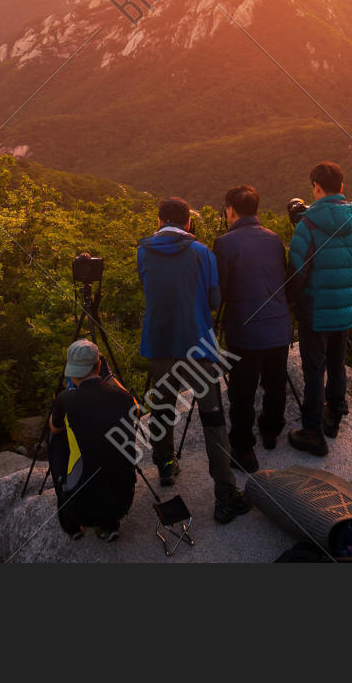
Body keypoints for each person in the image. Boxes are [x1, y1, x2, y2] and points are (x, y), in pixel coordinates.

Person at [138, 197, 250, 524]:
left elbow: (149, 289)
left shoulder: (143, 252)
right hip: (199, 347)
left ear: (159, 220)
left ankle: (166, 467)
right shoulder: (203, 253)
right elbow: (215, 301)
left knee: (161, 409)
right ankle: (225, 494)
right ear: (189, 222)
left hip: (159, 344)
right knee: (213, 419)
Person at [286, 161, 352, 456]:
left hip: (316, 309)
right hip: (345, 309)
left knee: (314, 369)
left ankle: (313, 433)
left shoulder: (308, 225)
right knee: (337, 364)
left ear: (315, 188)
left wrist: (291, 302)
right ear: (342, 188)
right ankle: (333, 416)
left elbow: (297, 274)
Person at [212, 184, 292, 473]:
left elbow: (218, 288)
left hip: (245, 330)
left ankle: (244, 450)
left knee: (242, 392)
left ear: (230, 210)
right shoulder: (274, 239)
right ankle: (271, 432)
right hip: (279, 325)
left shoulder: (224, 243)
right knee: (275, 384)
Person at [48, 339, 138, 541]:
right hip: (122, 501)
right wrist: (110, 377)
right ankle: (109, 524)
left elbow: (54, 427)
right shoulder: (121, 397)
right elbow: (136, 409)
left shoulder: (66, 399)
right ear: (99, 366)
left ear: (71, 372)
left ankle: (72, 525)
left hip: (81, 506)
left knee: (56, 437)